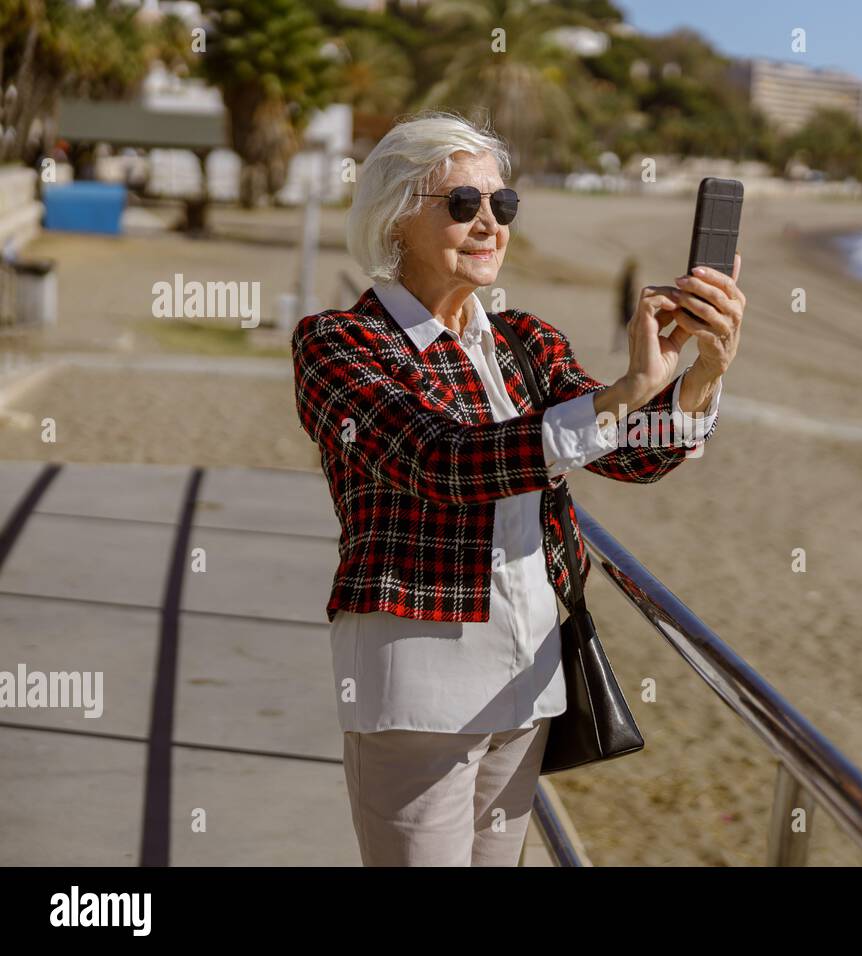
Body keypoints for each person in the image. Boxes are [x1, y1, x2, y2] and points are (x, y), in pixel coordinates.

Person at [290, 111, 745, 866]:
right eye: (463, 205)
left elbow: (628, 457)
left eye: (502, 206)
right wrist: (621, 392)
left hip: (531, 677)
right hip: (417, 686)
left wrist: (698, 376)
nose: (490, 224)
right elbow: (441, 461)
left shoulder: (525, 341)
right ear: (396, 218)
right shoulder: (337, 343)